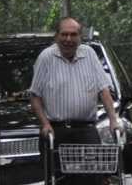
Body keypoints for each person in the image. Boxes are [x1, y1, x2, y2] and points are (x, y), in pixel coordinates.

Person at [29, 17, 120, 169]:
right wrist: (44, 124)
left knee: (91, 177)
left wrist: (113, 120)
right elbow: (35, 95)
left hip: (86, 130)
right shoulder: (46, 57)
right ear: (56, 36)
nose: (68, 39)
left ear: (80, 37)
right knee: (59, 178)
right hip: (57, 131)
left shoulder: (89, 54)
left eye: (73, 35)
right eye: (64, 34)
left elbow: (103, 90)